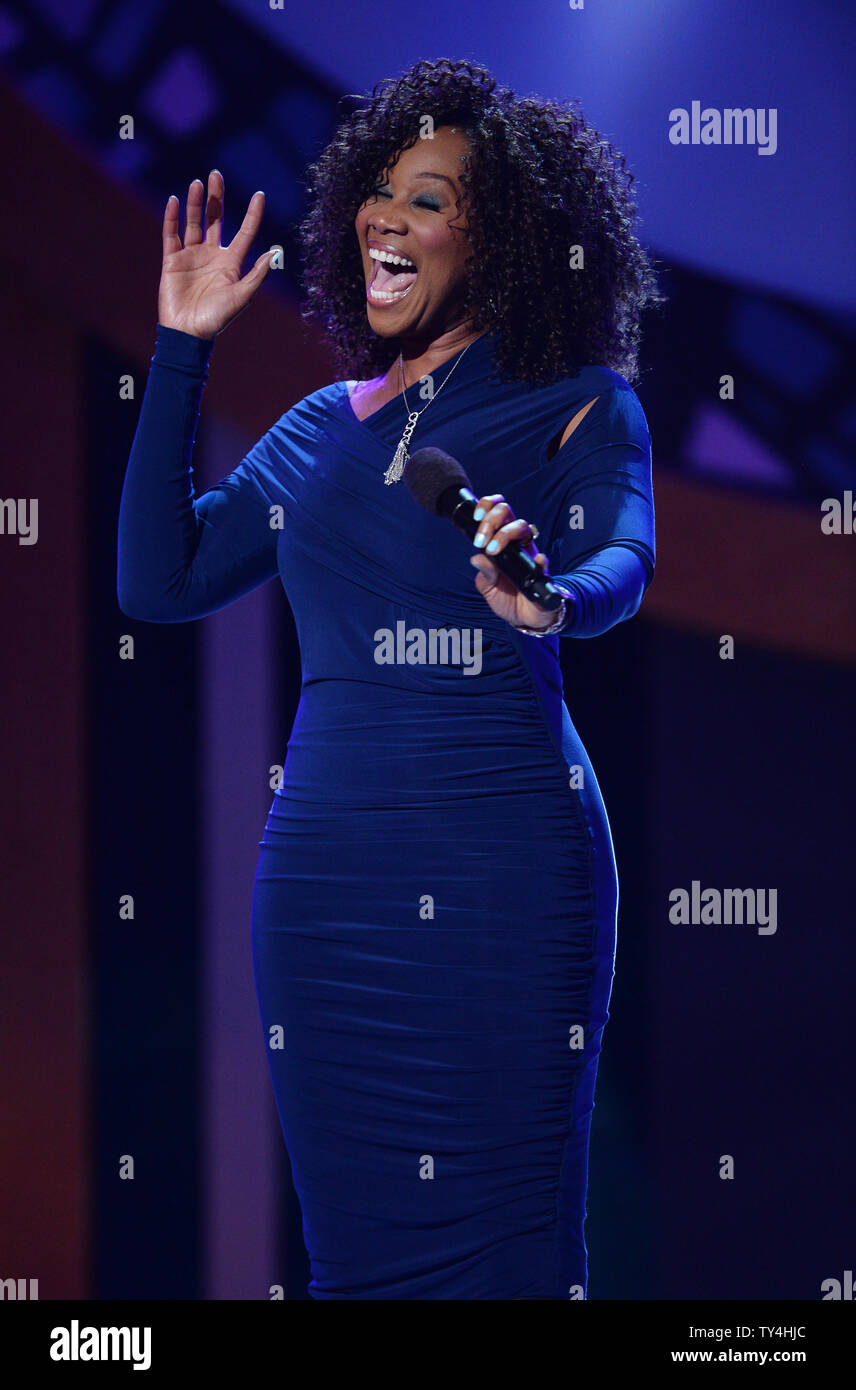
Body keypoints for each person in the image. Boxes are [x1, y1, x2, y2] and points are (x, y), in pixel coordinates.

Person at [118, 58, 660, 1300]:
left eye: (427, 199)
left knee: (509, 1248)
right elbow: (160, 579)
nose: (383, 217)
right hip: (323, 886)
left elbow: (623, 552)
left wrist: (550, 598)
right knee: (356, 1256)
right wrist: (182, 349)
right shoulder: (320, 426)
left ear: (503, 236)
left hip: (501, 866)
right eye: (377, 192)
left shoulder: (580, 404)